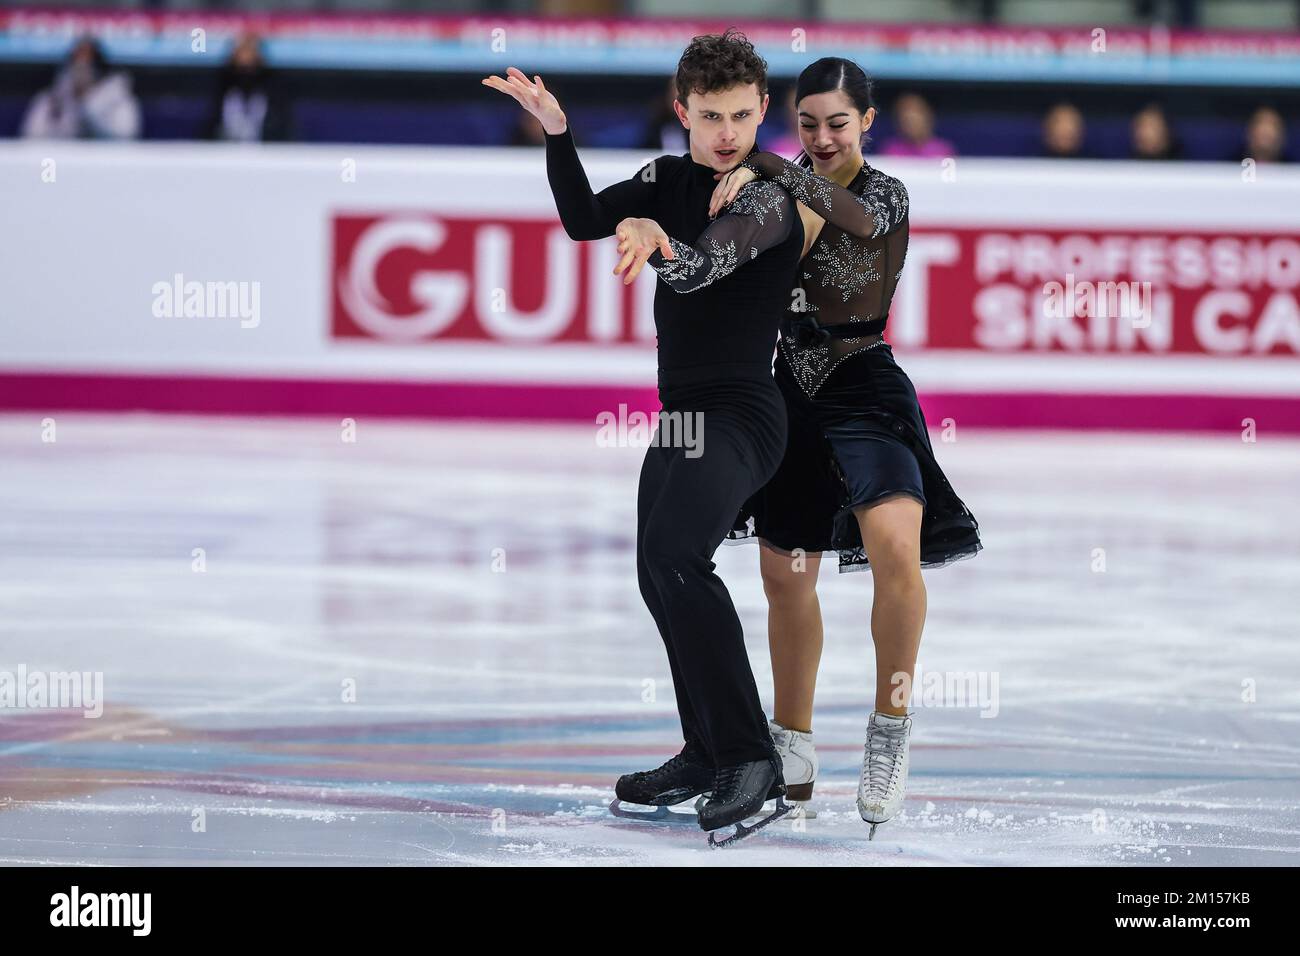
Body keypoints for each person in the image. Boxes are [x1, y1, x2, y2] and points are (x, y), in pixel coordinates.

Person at [482, 30, 805, 841]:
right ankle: (705, 750)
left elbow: (700, 269)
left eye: (740, 114)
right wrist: (558, 134)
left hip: (744, 411)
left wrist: (657, 240)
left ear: (763, 109)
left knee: (676, 558)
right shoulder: (664, 179)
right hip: (686, 414)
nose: (727, 132)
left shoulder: (769, 195)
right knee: (656, 569)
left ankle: (749, 756)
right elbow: (584, 219)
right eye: (710, 116)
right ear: (681, 111)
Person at [711, 57, 982, 838]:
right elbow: (720, 264)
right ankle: (790, 743)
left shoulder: (886, 192)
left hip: (867, 388)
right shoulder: (767, 190)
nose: (822, 138)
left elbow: (854, 221)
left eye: (838, 122)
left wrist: (764, 164)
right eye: (807, 124)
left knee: (895, 552)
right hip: (788, 395)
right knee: (784, 572)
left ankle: (889, 729)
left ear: (867, 120)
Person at [20, 37, 141, 141]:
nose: (81, 73)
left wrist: (87, 103)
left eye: (87, 67)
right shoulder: (52, 99)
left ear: (99, 71)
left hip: (105, 163)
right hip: (61, 162)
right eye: (77, 67)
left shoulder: (118, 98)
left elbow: (127, 135)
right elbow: (31, 136)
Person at [203, 33, 293, 143]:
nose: (246, 58)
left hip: (266, 150)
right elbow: (209, 125)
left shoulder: (273, 86)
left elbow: (282, 126)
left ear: (259, 56)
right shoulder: (222, 85)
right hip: (224, 150)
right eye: (242, 51)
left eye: (250, 51)